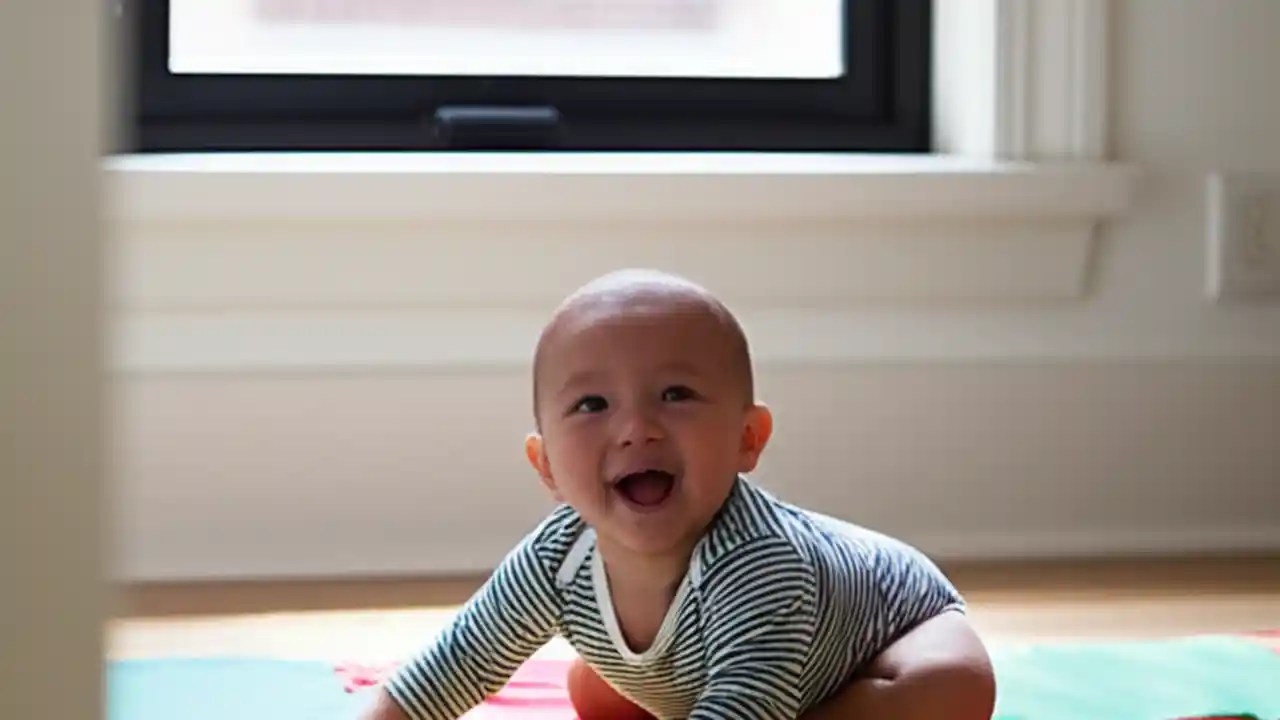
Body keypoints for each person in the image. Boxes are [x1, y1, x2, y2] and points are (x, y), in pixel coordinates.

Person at [361, 269, 995, 720]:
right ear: (546, 462)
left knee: (953, 685)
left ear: (748, 438)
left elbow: (744, 707)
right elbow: (450, 669)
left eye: (676, 395)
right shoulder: (557, 559)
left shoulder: (757, 564)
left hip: (891, 632)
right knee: (596, 690)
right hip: (712, 675)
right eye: (592, 404)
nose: (637, 428)